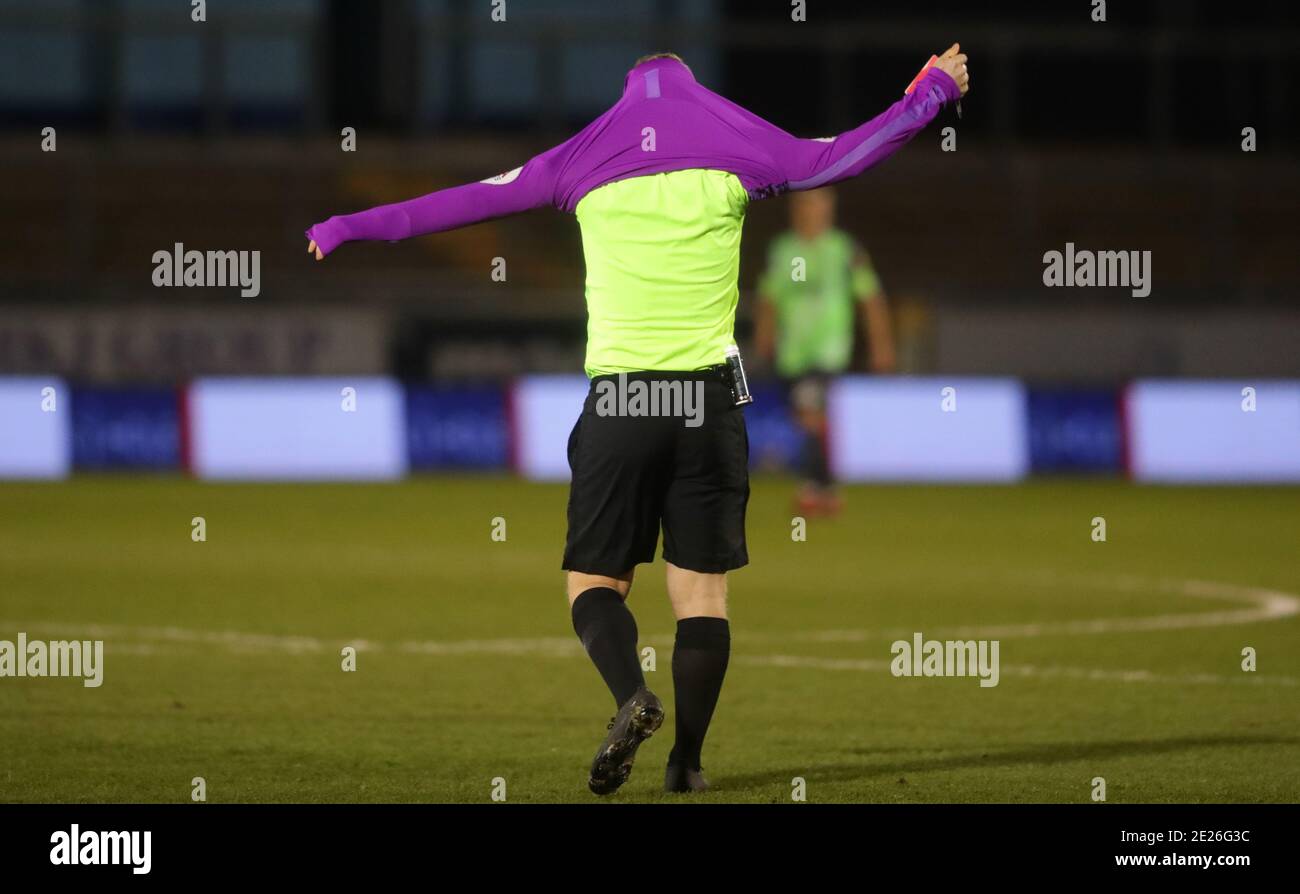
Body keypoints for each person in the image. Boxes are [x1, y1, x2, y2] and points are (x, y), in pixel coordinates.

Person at [306, 47, 969, 796]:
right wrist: (928, 94)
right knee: (702, 597)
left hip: (623, 403)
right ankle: (686, 764)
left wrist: (346, 225)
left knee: (593, 583)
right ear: (694, 90)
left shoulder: (581, 156)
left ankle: (631, 696)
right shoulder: (736, 140)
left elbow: (458, 203)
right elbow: (844, 155)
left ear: (628, 96)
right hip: (708, 405)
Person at [755, 187, 896, 516]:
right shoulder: (782, 249)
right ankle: (827, 487)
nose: (812, 212)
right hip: (792, 352)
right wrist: (765, 336)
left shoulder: (844, 250)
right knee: (808, 417)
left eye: (819, 206)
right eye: (806, 206)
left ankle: (815, 486)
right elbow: (769, 297)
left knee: (811, 410)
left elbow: (870, 298)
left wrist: (882, 345)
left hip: (829, 350)